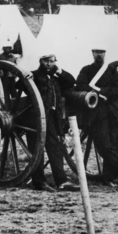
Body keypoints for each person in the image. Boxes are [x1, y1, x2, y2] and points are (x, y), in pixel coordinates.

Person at [76, 49, 118, 187]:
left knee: (114, 143)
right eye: (96, 52)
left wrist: (102, 91)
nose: (99, 55)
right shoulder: (86, 70)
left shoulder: (112, 71)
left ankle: (108, 177)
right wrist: (97, 93)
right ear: (92, 53)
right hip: (97, 112)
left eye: (102, 52)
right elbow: (80, 86)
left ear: (105, 54)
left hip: (113, 112)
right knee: (104, 145)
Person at [27, 54, 79, 191]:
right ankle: (38, 181)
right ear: (40, 61)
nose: (49, 64)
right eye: (46, 61)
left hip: (51, 118)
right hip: (35, 118)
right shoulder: (33, 76)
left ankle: (61, 181)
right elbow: (18, 84)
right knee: (37, 148)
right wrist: (26, 77)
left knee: (55, 147)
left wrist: (60, 71)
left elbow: (71, 81)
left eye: (51, 61)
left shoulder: (56, 78)